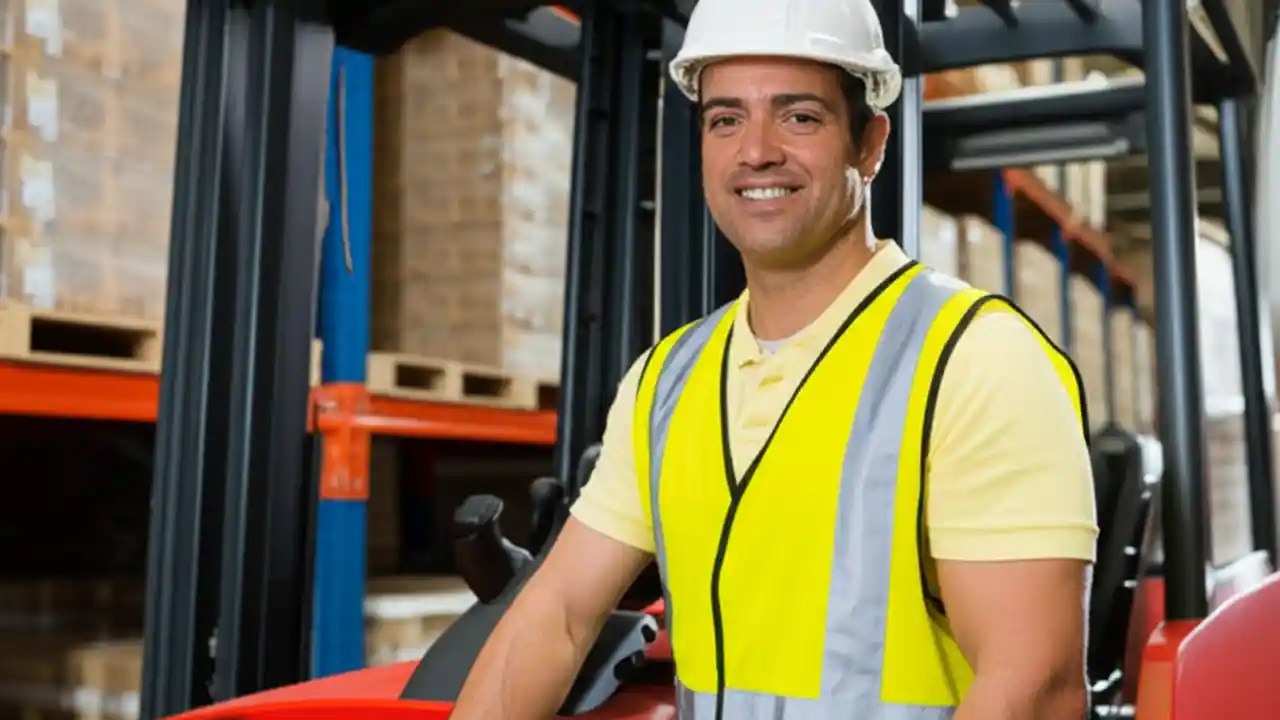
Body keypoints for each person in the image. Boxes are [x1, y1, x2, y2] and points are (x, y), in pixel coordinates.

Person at [451, 0, 1098, 717]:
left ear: (870, 145)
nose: (755, 151)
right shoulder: (666, 383)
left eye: (799, 117)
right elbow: (556, 618)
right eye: (726, 119)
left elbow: (1033, 687)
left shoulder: (975, 359)